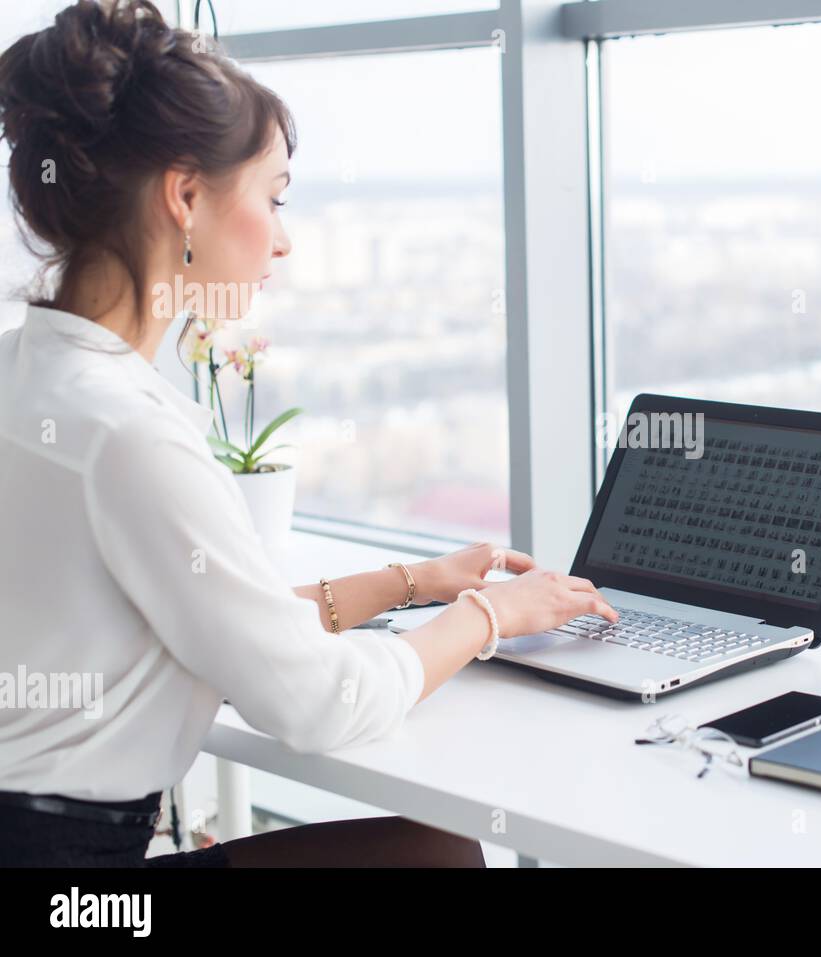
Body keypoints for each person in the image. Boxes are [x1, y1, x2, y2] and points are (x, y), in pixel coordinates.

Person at [0, 0, 618, 867]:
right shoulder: (126, 435)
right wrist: (489, 615)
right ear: (184, 197)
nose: (282, 242)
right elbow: (317, 702)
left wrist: (411, 582)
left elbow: (218, 623)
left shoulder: (27, 372)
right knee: (431, 855)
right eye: (273, 198)